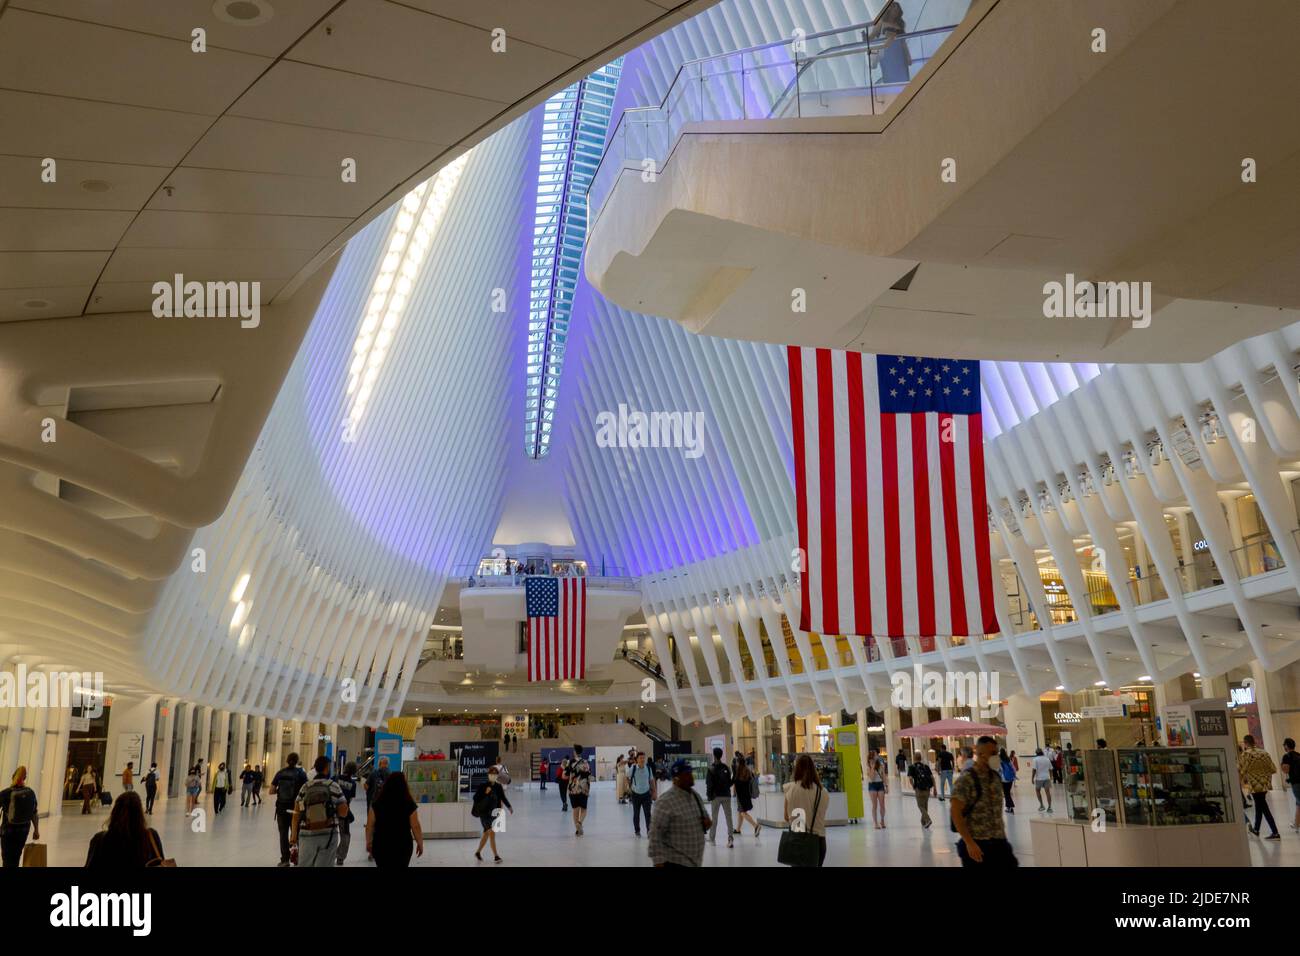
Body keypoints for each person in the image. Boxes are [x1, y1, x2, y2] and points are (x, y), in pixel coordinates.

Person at [951, 736, 1018, 867]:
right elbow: (955, 812)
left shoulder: (995, 777)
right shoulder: (967, 779)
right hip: (978, 844)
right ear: (980, 754)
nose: (996, 756)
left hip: (999, 842)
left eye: (996, 753)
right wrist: (969, 843)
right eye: (993, 753)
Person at [648, 759, 711, 867]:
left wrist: (707, 823)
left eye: (690, 772)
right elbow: (655, 835)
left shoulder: (695, 796)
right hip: (675, 862)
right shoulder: (665, 802)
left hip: (694, 862)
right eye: (687, 774)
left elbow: (706, 820)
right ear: (676, 778)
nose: (691, 776)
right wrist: (658, 862)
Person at [291, 755, 349, 867]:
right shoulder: (334, 786)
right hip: (328, 834)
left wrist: (293, 835)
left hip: (307, 833)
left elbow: (296, 813)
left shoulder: (305, 787)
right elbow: (343, 812)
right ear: (327, 768)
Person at [85, 791, 167, 868]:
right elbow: (161, 862)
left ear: (114, 813)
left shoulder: (100, 840)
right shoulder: (151, 837)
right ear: (140, 815)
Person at [366, 771, 423, 868]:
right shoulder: (409, 803)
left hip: (381, 844)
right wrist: (420, 842)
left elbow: (369, 826)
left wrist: (369, 842)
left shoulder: (377, 804)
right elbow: (415, 826)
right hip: (403, 845)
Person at [782, 754, 829, 866]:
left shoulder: (790, 789)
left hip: (797, 841)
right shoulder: (823, 792)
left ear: (796, 769)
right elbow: (821, 815)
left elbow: (786, 817)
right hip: (818, 841)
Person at [270, 752, 308, 866]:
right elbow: (306, 790)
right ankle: (299, 858)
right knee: (297, 833)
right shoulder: (301, 773)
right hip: (296, 809)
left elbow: (271, 790)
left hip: (281, 808)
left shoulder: (280, 773)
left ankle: (285, 860)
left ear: (287, 760)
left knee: (283, 834)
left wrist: (280, 791)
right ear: (297, 761)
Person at [1238, 734, 1280, 839]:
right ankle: (1256, 830)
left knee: (1263, 807)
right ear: (1254, 741)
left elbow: (1240, 770)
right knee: (1259, 806)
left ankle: (1275, 832)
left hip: (1254, 785)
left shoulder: (1245, 754)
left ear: (1245, 743)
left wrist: (1242, 780)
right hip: (1265, 784)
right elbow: (1273, 769)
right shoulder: (1264, 752)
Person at [0, 766, 40, 868]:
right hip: (23, 830)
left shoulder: (5, 793)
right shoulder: (30, 792)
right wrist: (36, 830)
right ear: (25, 778)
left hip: (8, 831)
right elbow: (34, 813)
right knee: (16, 856)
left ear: (13, 777)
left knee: (7, 858)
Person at [472, 765, 513, 862]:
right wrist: (485, 793)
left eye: (495, 774)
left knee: (486, 834)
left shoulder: (498, 787)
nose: (493, 776)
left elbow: (503, 798)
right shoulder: (483, 785)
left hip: (493, 814)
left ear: (497, 775)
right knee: (492, 833)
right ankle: (496, 856)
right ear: (488, 775)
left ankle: (478, 852)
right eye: (491, 774)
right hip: (484, 814)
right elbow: (475, 798)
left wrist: (509, 807)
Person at [705, 747, 735, 848]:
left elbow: (709, 785)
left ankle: (712, 838)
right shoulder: (726, 767)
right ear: (721, 755)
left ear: (714, 755)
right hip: (726, 795)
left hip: (715, 796)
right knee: (729, 817)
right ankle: (730, 838)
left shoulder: (711, 768)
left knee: (714, 817)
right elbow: (730, 783)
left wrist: (709, 796)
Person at [334, 761, 359, 866]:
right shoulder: (352, 784)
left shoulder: (335, 778)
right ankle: (340, 857)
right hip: (343, 812)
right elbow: (351, 799)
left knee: (330, 834)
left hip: (331, 811)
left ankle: (329, 854)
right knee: (345, 835)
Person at [628, 751, 657, 837]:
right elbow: (627, 777)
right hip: (635, 794)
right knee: (636, 814)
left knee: (648, 814)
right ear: (637, 759)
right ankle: (637, 831)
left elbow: (652, 780)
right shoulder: (633, 768)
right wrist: (629, 787)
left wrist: (654, 792)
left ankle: (649, 831)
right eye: (640, 758)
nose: (642, 759)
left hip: (646, 794)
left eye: (643, 758)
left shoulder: (648, 768)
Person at [567, 745, 592, 836]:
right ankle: (580, 823)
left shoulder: (571, 762)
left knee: (575, 809)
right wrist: (588, 789)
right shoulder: (586, 762)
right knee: (584, 809)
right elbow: (589, 776)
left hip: (573, 789)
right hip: (583, 789)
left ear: (574, 752)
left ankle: (577, 830)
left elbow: (565, 775)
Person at [732, 756, 759, 837]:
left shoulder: (737, 771)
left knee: (742, 812)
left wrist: (733, 793)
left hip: (740, 795)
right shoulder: (747, 770)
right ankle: (738, 829)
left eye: (736, 762)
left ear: (738, 763)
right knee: (740, 812)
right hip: (747, 794)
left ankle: (756, 826)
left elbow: (735, 784)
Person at [907, 753, 935, 829]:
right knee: (925, 806)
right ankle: (923, 822)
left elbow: (910, 778)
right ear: (921, 758)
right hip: (927, 789)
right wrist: (935, 788)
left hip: (919, 789)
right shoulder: (925, 766)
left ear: (914, 758)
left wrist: (913, 785)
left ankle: (928, 819)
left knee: (920, 806)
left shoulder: (912, 767)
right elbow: (932, 777)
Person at [1280, 738, 1300, 831]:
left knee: (1299, 802)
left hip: (1296, 783)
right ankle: (1296, 824)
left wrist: (1282, 766)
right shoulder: (1298, 755)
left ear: (1286, 746)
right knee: (1298, 803)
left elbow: (1286, 770)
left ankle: (1296, 825)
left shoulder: (1286, 756)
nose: (1284, 747)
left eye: (1284, 745)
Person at [866, 749, 888, 829]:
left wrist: (886, 785)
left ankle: (882, 820)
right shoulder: (868, 765)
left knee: (882, 804)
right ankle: (875, 823)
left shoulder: (881, 764)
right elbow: (871, 778)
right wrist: (872, 767)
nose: (875, 757)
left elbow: (884, 776)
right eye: (874, 756)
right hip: (872, 785)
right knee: (874, 805)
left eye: (876, 755)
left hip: (880, 784)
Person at [1030, 747, 1054, 813]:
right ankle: (1049, 807)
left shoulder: (1035, 759)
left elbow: (1034, 770)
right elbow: (1051, 769)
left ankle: (1041, 805)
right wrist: (1051, 776)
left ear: (1036, 753)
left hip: (1039, 778)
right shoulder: (1047, 759)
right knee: (1048, 792)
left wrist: (1032, 778)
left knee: (1037, 790)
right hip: (1047, 777)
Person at [998, 747, 1016, 812]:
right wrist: (1014, 776)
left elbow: (998, 770)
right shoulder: (1008, 759)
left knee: (1006, 794)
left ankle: (1011, 807)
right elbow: (1013, 768)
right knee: (1007, 793)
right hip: (1010, 779)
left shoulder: (999, 760)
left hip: (1003, 779)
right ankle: (1009, 807)